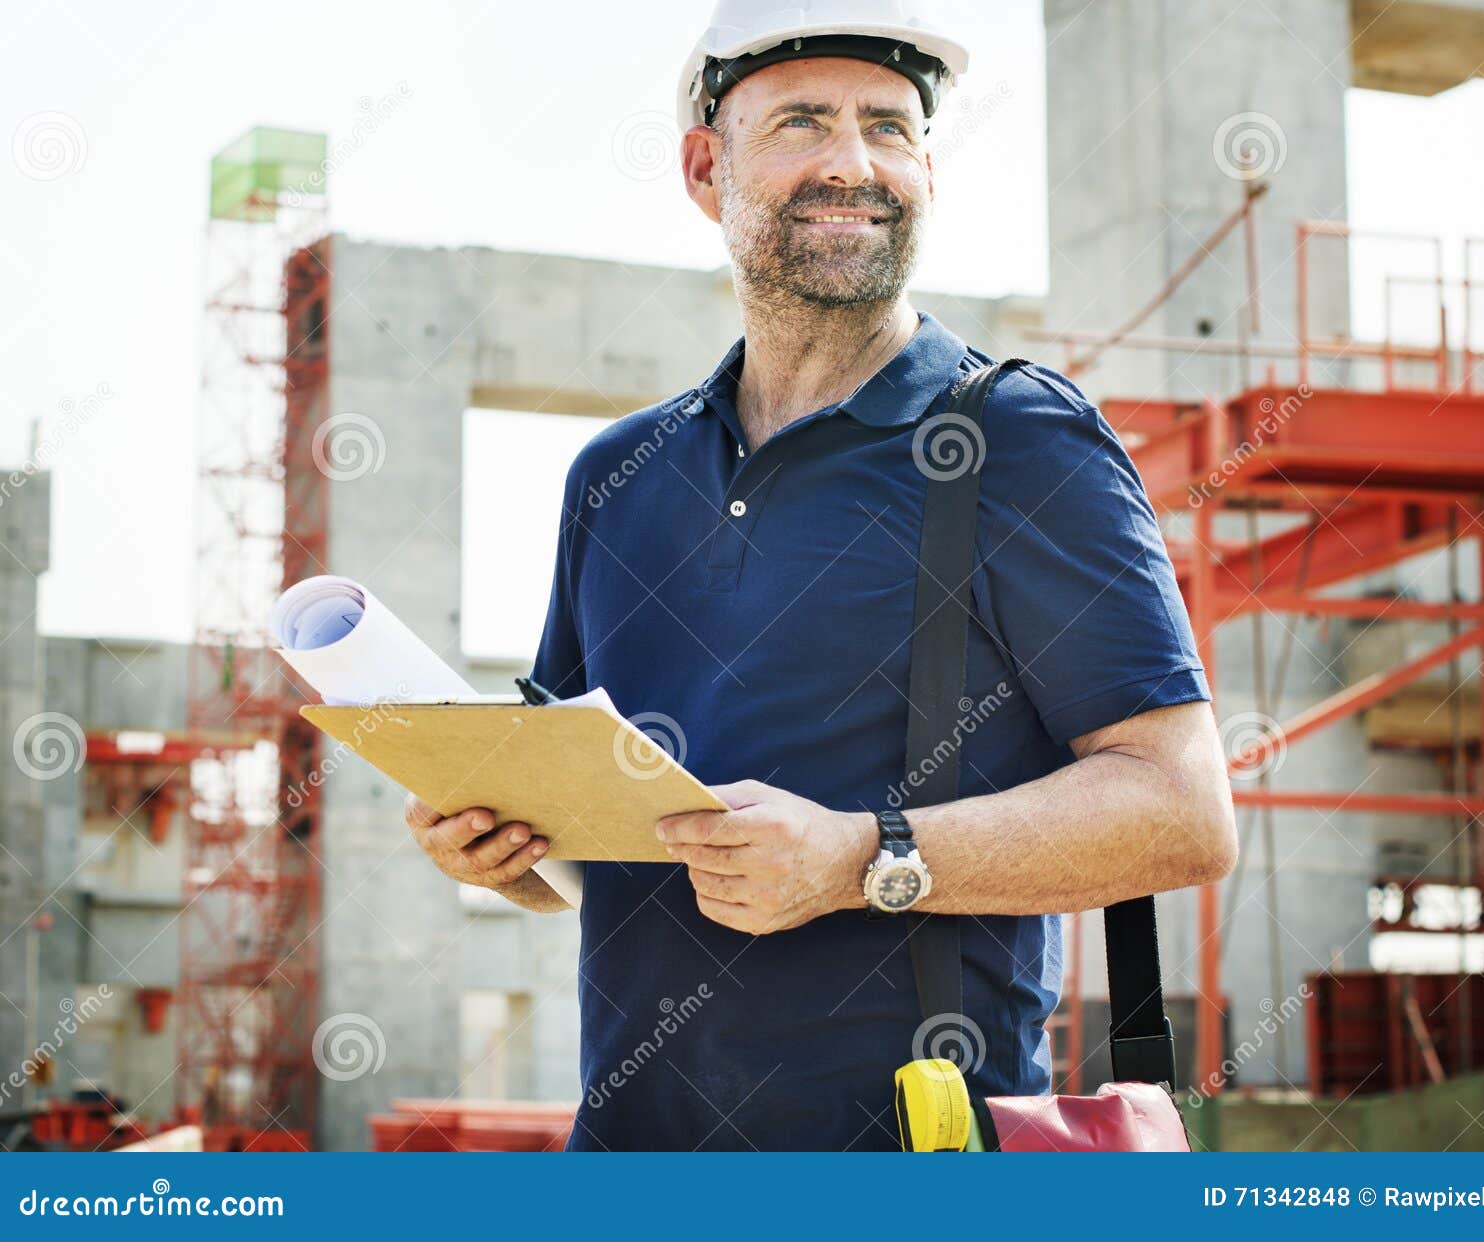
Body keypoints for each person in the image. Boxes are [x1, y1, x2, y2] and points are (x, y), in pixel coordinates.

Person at [405, 0, 1237, 1151]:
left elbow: (1182, 812)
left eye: (888, 128)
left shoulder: (1018, 441)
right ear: (706, 168)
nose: (853, 164)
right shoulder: (620, 479)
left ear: (928, 173)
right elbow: (589, 864)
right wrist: (495, 853)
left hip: (911, 1159)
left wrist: (865, 859)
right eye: (802, 120)